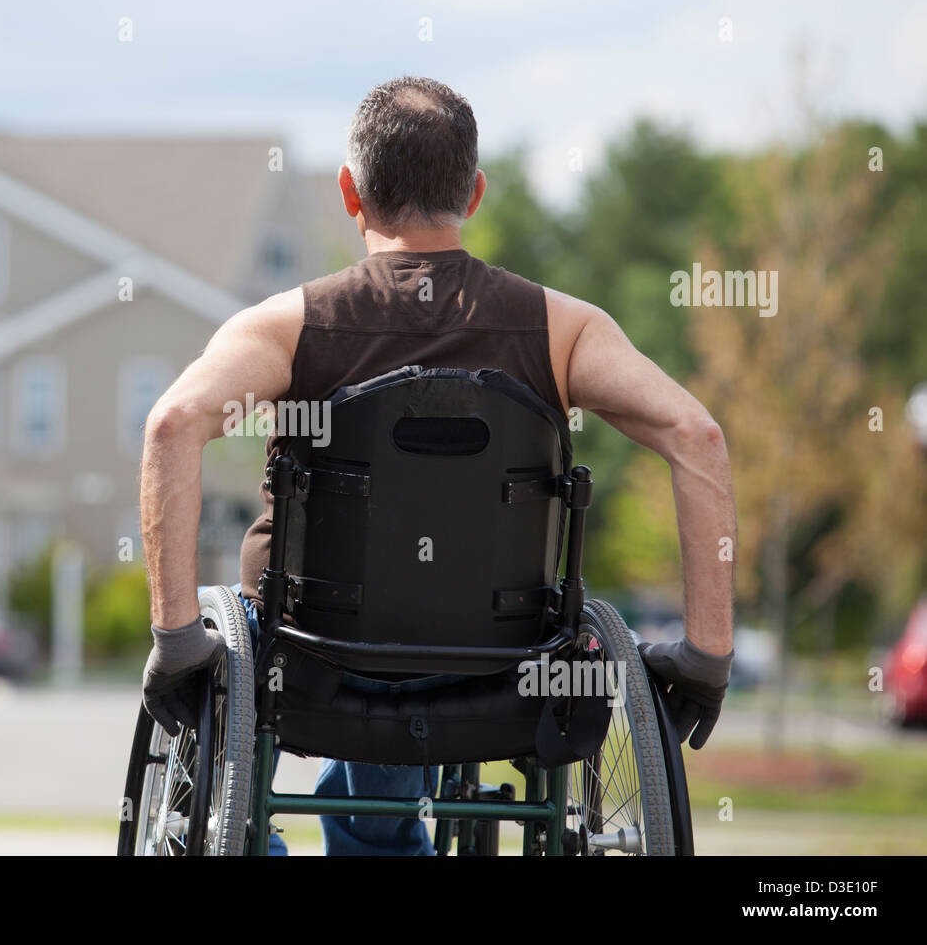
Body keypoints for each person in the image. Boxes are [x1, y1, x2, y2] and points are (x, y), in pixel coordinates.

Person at [139, 76, 736, 855]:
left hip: (312, 661)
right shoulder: (562, 329)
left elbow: (174, 424)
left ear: (351, 193)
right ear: (475, 192)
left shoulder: (291, 325)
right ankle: (377, 833)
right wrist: (707, 656)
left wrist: (179, 639)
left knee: (346, 633)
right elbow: (698, 438)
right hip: (500, 664)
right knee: (413, 650)